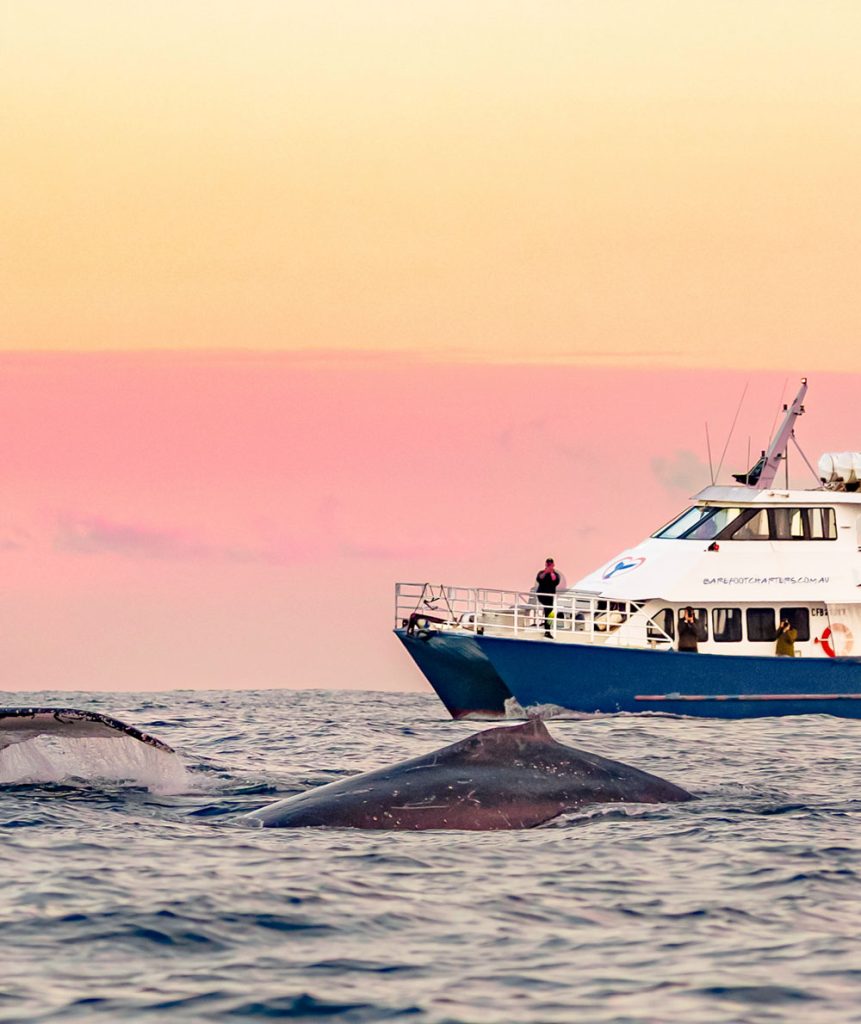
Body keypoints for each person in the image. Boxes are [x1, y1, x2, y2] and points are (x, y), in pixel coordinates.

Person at [536, 558, 562, 638]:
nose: (549, 566)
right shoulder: (541, 572)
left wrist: (551, 573)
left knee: (550, 613)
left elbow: (555, 581)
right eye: (548, 564)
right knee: (548, 610)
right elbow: (539, 579)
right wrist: (545, 572)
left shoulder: (555, 574)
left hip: (550, 596)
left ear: (553, 565)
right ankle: (547, 630)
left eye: (550, 564)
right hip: (542, 595)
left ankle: (548, 628)